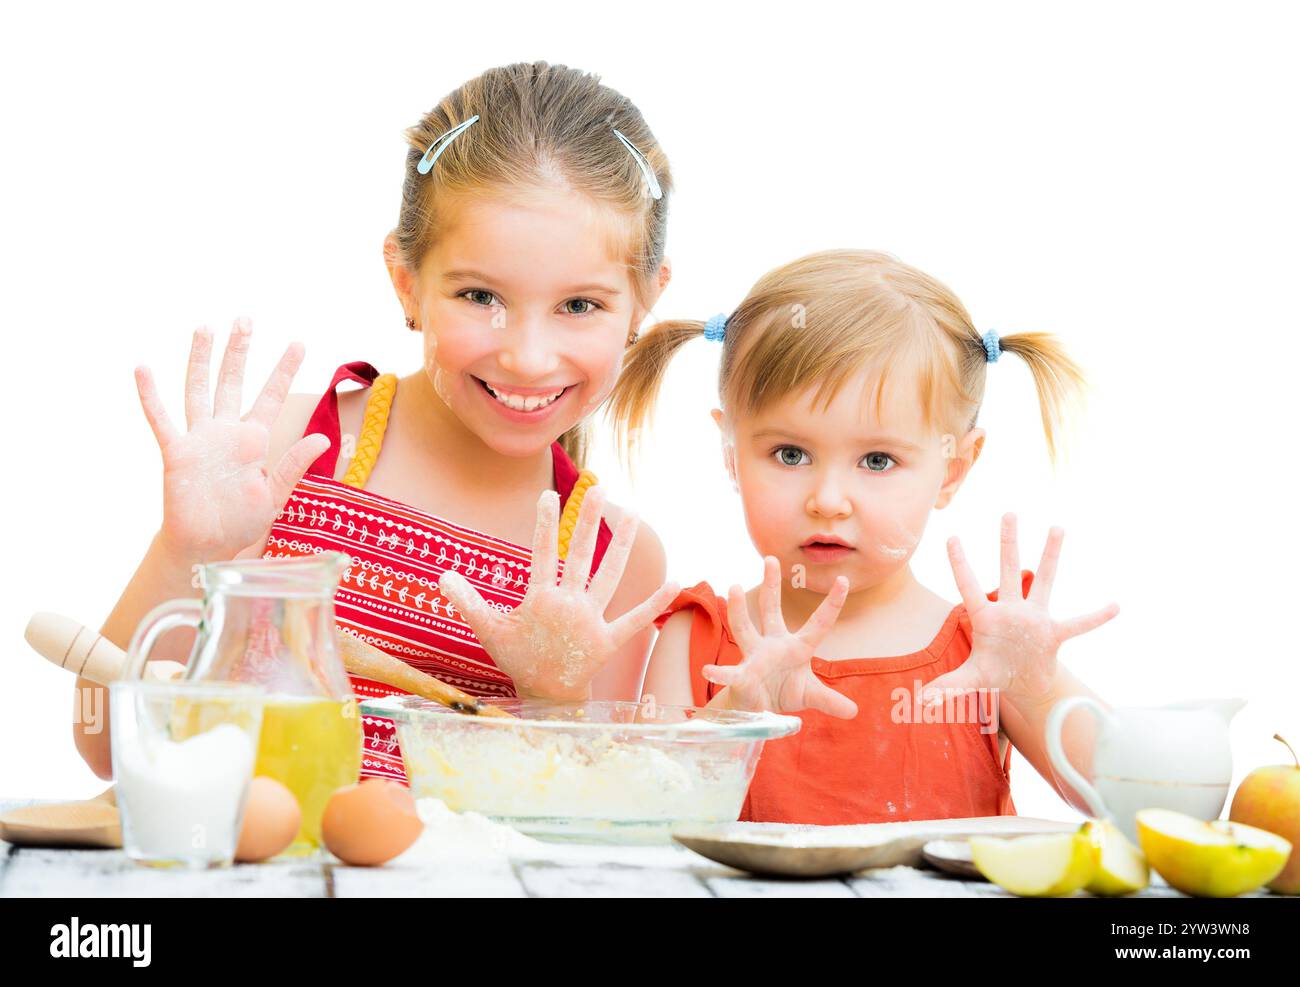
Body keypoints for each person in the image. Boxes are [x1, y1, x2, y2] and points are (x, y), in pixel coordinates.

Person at [77, 62, 679, 784]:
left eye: (580, 306)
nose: (527, 354)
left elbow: (581, 823)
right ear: (407, 281)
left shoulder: (613, 562)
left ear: (645, 300)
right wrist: (187, 553)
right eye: (480, 294)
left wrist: (552, 696)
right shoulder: (283, 457)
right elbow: (107, 745)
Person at [608, 249, 1119, 824]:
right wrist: (736, 710)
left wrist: (1038, 688)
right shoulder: (698, 638)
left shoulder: (987, 651)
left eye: (877, 460)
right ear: (731, 452)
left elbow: (1139, 803)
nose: (828, 499)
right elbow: (636, 827)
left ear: (953, 467)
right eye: (790, 453)